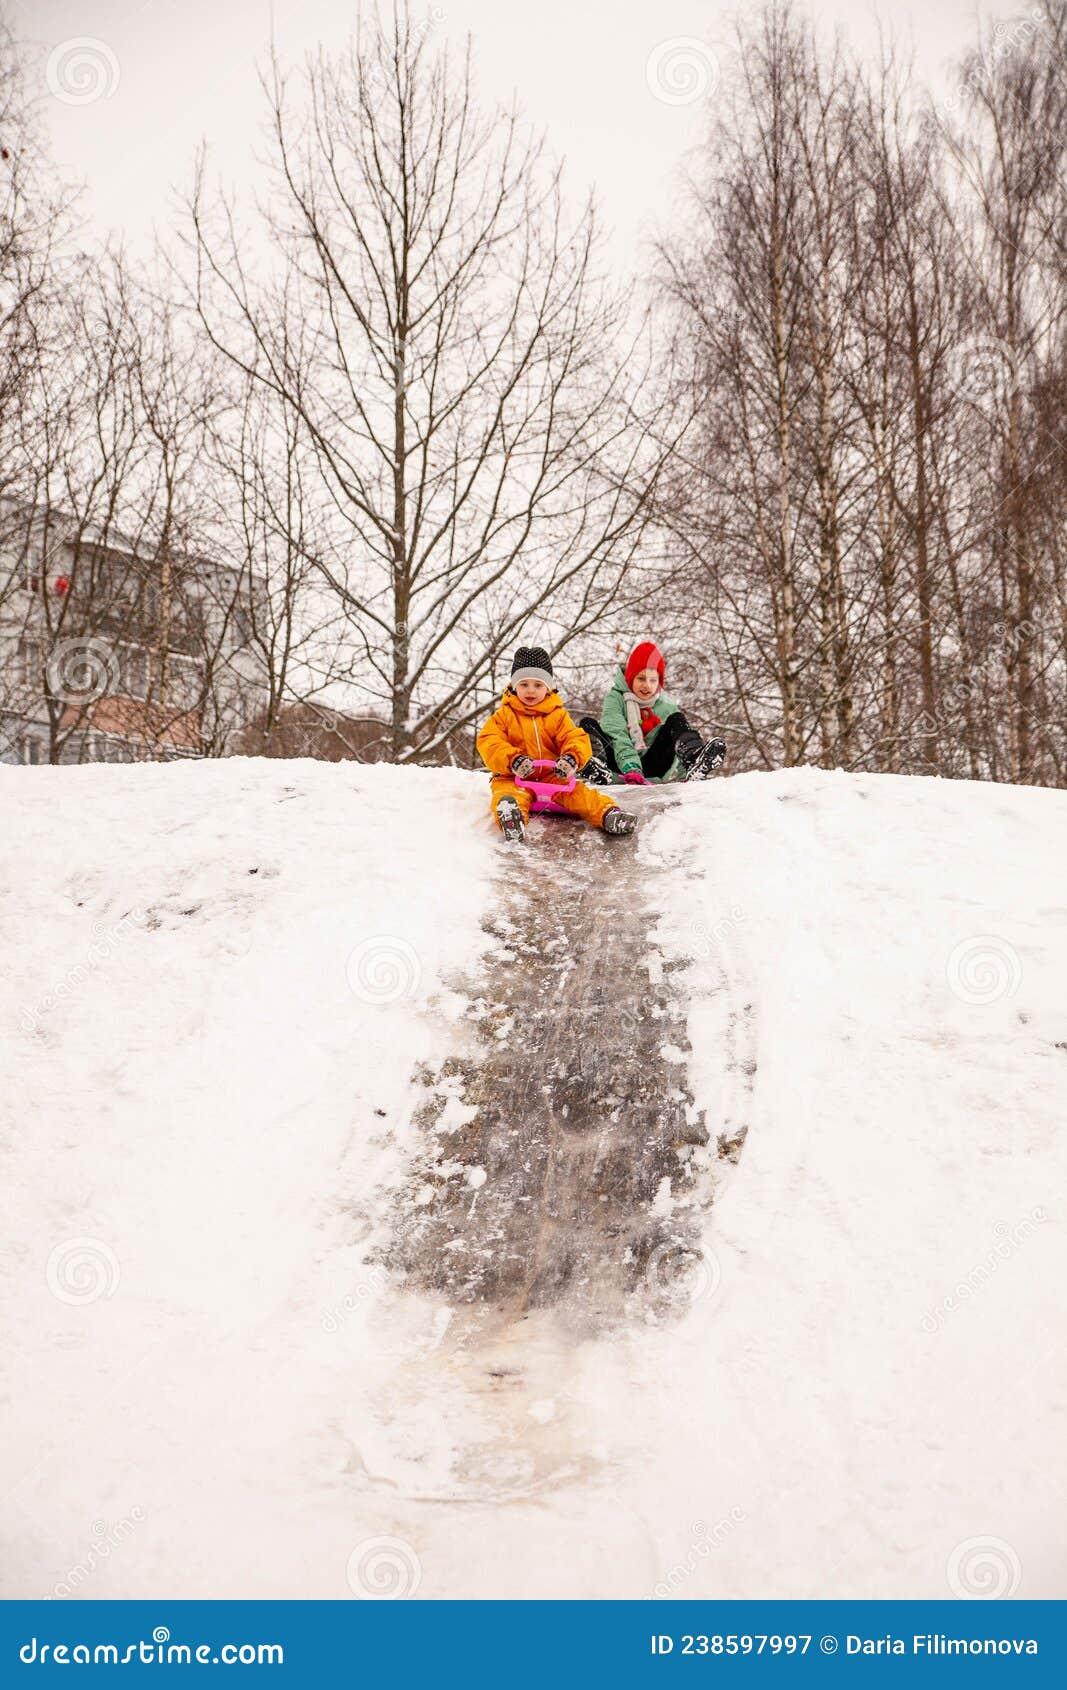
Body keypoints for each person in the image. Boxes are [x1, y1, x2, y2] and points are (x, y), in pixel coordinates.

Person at [477, 646, 638, 843]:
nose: (530, 690)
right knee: (508, 794)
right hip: (514, 777)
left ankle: (608, 814)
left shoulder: (557, 715)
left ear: (548, 687)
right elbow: (490, 742)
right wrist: (513, 760)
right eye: (524, 684)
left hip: (552, 777)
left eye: (538, 684)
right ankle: (511, 817)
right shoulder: (504, 716)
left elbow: (574, 738)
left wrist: (571, 758)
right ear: (513, 686)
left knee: (580, 795)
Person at [579, 640, 726, 785]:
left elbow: (679, 741)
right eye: (641, 678)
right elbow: (617, 734)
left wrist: (685, 776)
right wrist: (632, 767)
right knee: (588, 724)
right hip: (617, 765)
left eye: (653, 680)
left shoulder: (666, 706)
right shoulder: (616, 698)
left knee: (677, 719)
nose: (647, 686)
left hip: (653, 767)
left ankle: (693, 762)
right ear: (631, 678)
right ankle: (597, 768)